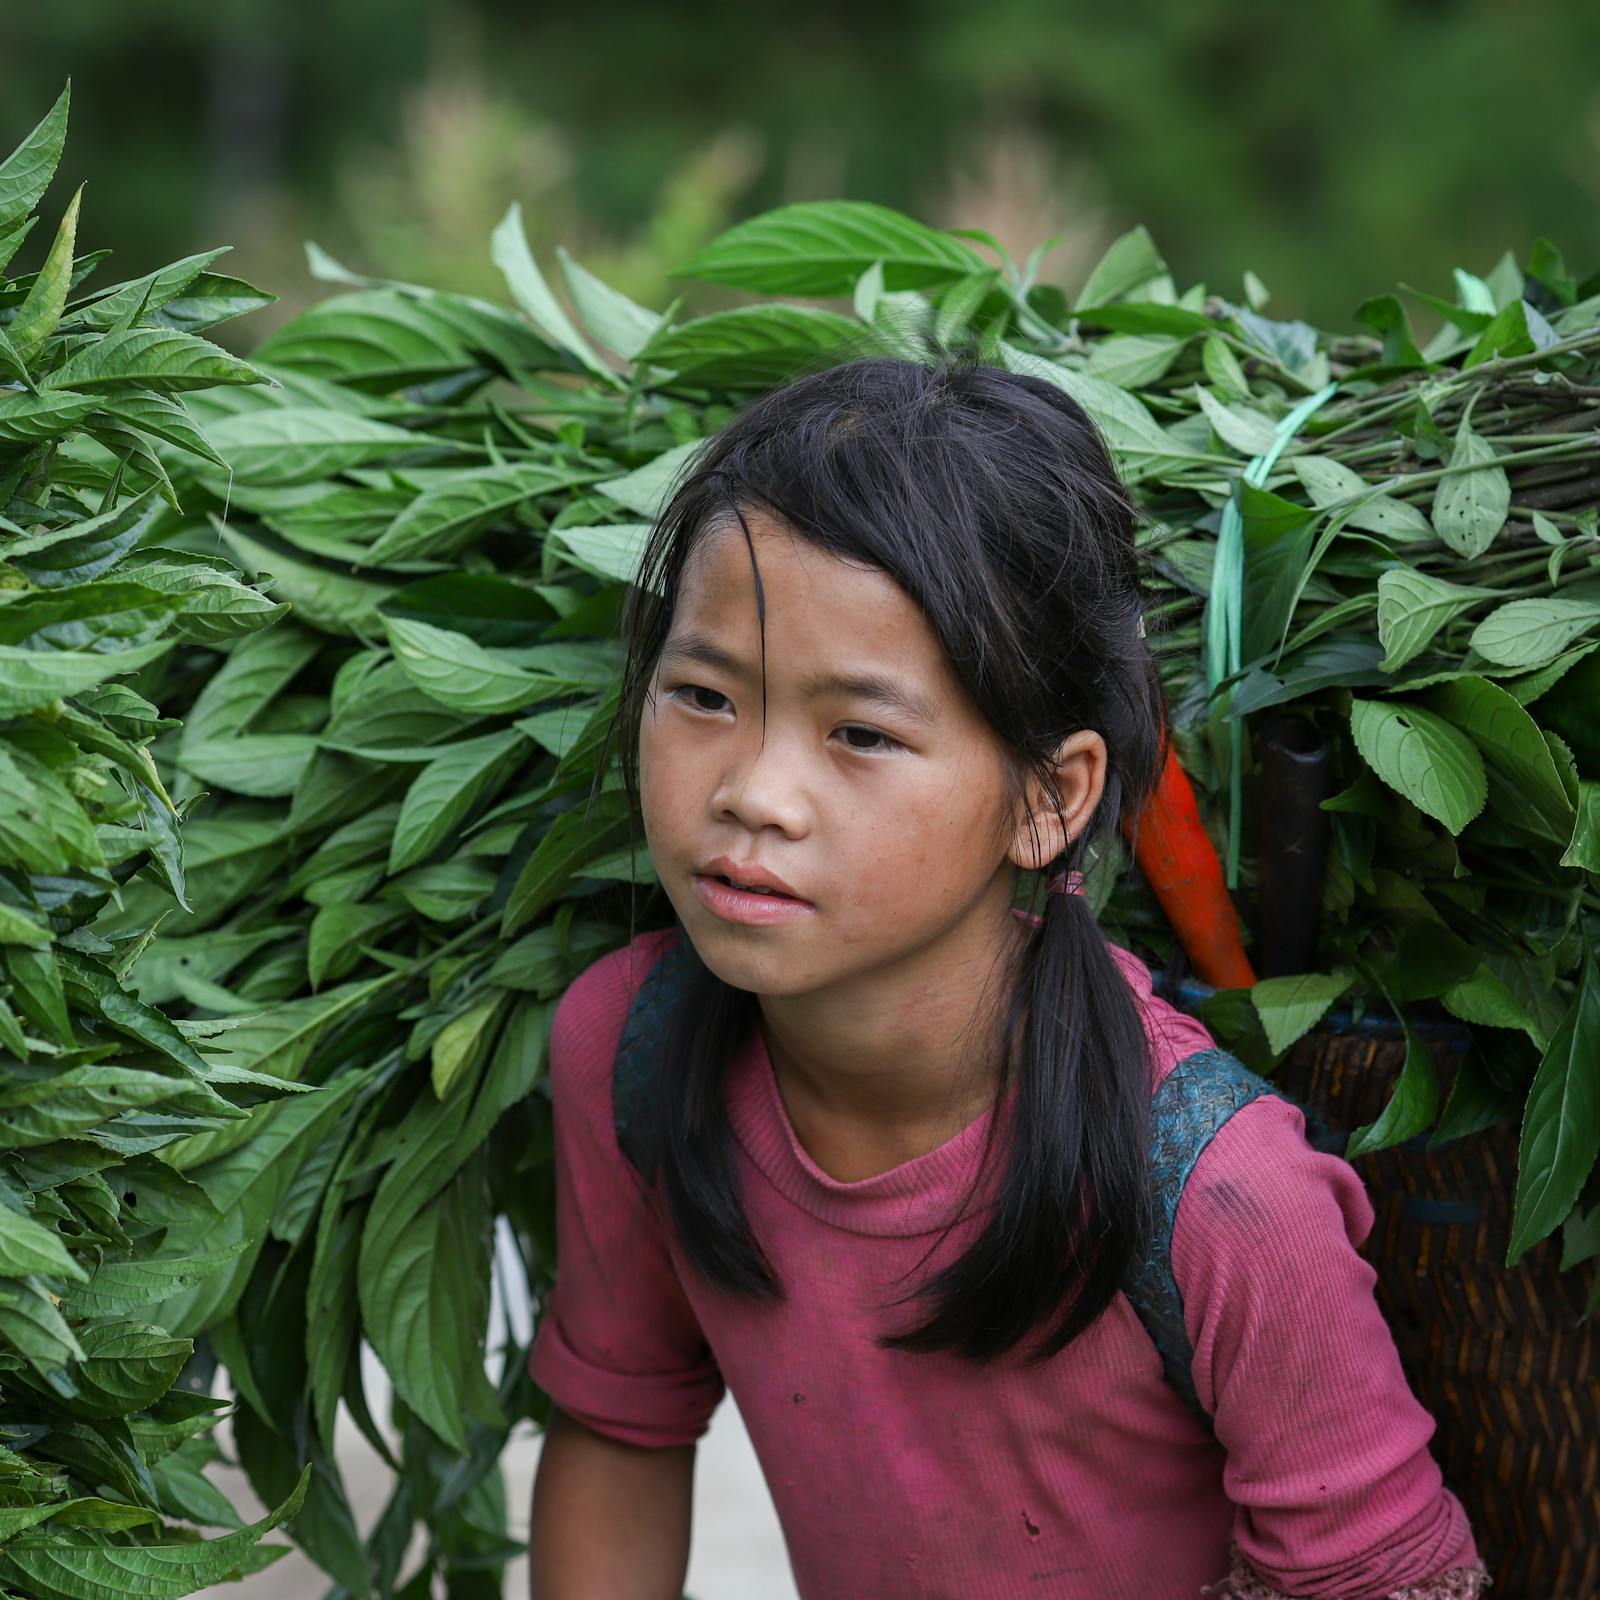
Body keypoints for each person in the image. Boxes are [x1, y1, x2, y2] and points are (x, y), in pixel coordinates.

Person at [525, 358, 1490, 1600]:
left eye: (861, 732)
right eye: (704, 696)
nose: (754, 794)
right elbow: (619, 1427)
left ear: (1049, 797)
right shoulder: (631, 1043)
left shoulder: (1222, 1199)